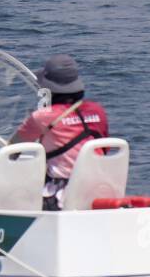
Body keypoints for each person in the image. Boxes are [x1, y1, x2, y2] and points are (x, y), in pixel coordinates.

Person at [10, 55, 109, 211]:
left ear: (48, 88)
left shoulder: (42, 117)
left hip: (61, 199)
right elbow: (103, 149)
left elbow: (11, 152)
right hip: (99, 190)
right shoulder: (98, 111)